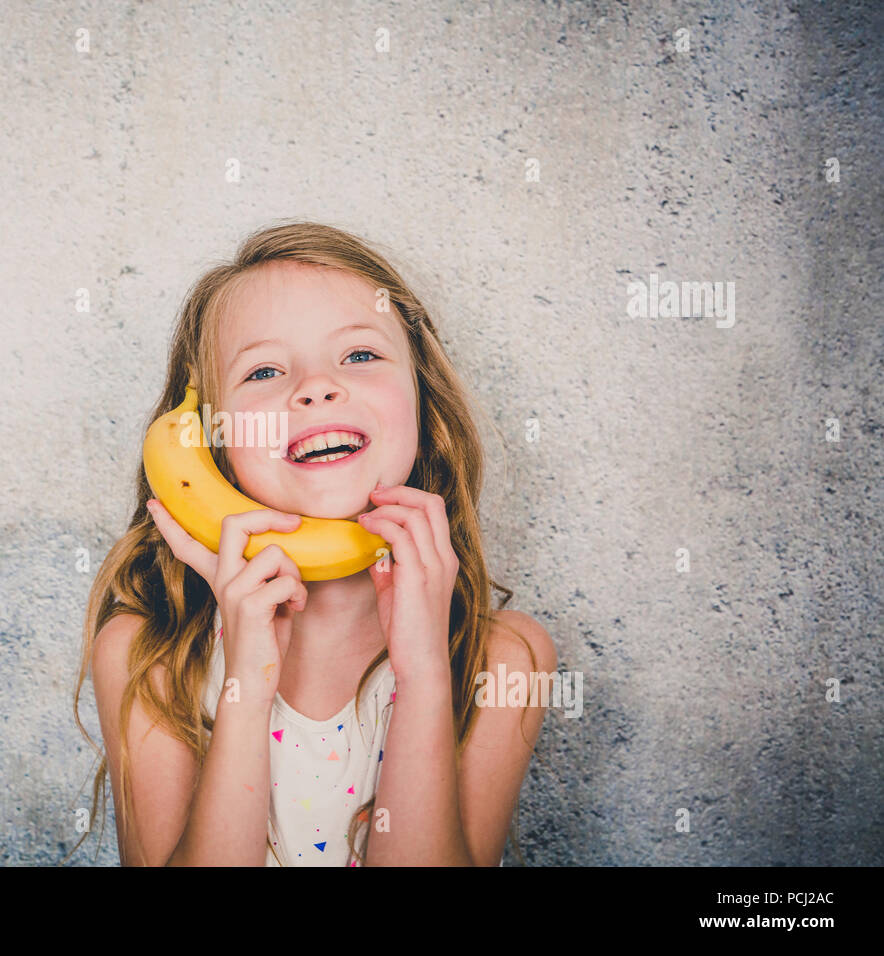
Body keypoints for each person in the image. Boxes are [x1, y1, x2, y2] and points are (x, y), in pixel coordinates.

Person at [69, 221, 556, 866]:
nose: (316, 386)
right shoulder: (148, 656)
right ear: (210, 443)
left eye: (358, 356)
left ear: (424, 406)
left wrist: (424, 677)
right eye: (264, 370)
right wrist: (246, 684)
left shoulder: (505, 661)